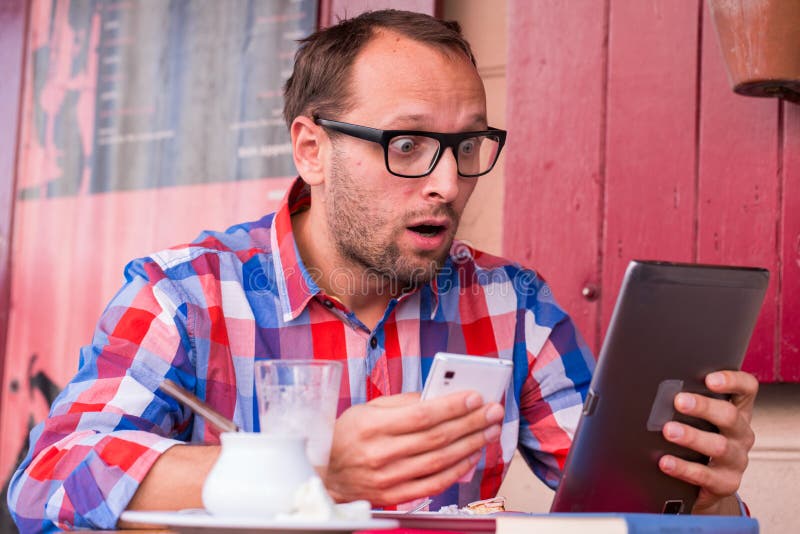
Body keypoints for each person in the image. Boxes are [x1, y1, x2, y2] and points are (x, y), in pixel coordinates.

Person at [8, 9, 758, 532]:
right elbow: (48, 482)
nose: (446, 183)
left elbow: (617, 508)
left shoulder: (511, 305)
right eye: (406, 144)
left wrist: (707, 494)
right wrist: (307, 475)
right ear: (311, 149)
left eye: (467, 146)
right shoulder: (185, 294)